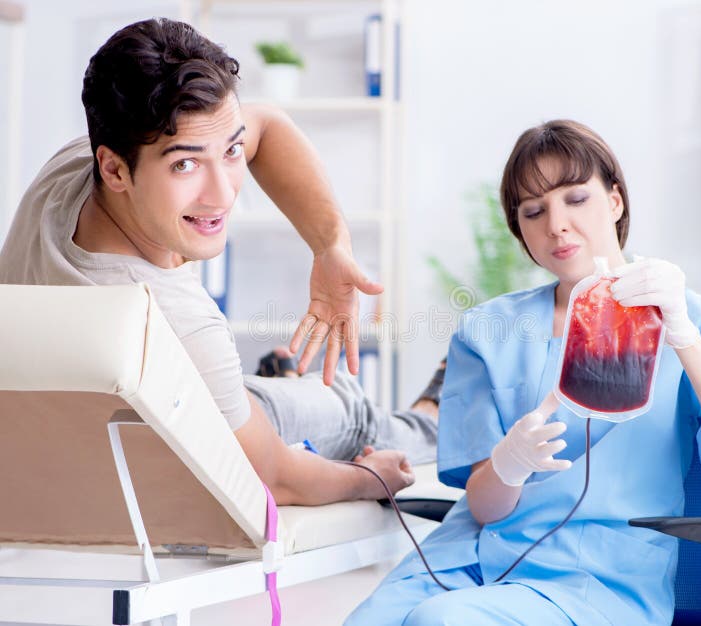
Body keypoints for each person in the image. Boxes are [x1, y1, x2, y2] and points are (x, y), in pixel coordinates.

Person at [344, 119, 701, 625]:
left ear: (614, 201)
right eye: (534, 211)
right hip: (466, 557)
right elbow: (483, 507)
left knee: (442, 621)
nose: (556, 224)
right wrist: (508, 464)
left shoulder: (698, 319)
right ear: (520, 231)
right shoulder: (487, 330)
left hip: (598, 576)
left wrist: (681, 333)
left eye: (576, 199)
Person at [0, 17, 439, 504]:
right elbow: (274, 478)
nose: (224, 193)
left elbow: (266, 125)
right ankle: (433, 415)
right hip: (174, 458)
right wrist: (370, 477)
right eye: (185, 164)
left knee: (267, 395)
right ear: (115, 169)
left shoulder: (72, 168)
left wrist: (331, 246)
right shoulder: (175, 321)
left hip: (77, 454)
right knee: (349, 406)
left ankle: (279, 386)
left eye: (231, 151)